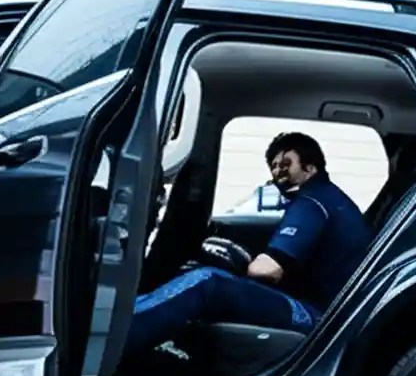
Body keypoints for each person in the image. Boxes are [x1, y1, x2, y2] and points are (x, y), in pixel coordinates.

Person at [124, 132, 374, 357]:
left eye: (286, 164)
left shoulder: (312, 203)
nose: (278, 172)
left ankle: (119, 333)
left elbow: (267, 270)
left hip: (317, 316)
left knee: (207, 282)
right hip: (329, 310)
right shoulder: (329, 198)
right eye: (274, 166)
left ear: (310, 168)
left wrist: (239, 263)